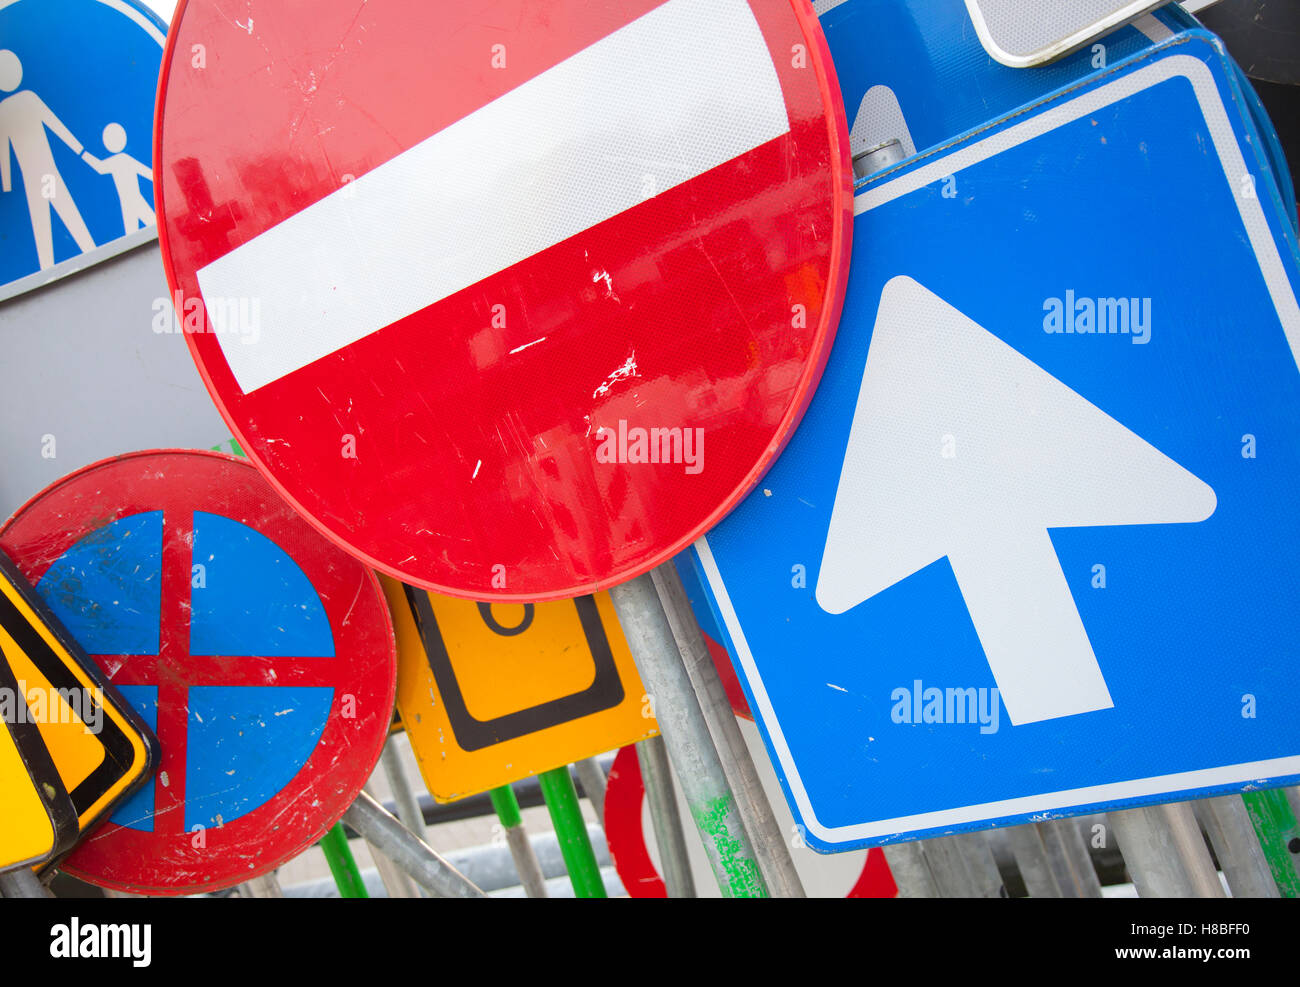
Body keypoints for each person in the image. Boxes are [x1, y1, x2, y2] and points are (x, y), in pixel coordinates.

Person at [0, 49, 97, 270]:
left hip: (35, 178)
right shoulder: (25, 100)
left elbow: (5, 153)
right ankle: (90, 251)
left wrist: (7, 185)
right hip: (46, 174)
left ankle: (51, 269)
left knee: (43, 226)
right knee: (65, 217)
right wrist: (80, 151)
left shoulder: (8, 109)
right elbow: (56, 127)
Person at [82, 122, 154, 234]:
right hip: (129, 202)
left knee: (150, 229)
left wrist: (83, 153)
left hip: (134, 201)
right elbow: (148, 173)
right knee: (139, 233)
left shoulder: (122, 159)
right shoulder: (121, 159)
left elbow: (99, 167)